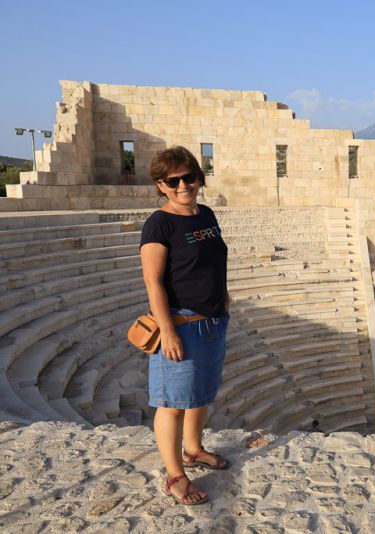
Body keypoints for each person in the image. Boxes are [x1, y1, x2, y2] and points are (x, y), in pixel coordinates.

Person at [139, 146, 230, 506]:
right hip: (182, 324)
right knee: (172, 404)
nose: (182, 185)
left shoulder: (205, 215)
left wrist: (223, 297)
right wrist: (169, 332)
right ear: (161, 185)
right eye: (172, 181)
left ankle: (193, 449)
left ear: (198, 177)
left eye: (188, 177)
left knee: (201, 395)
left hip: (212, 322)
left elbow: (212, 261)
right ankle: (176, 475)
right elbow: (153, 283)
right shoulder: (158, 224)